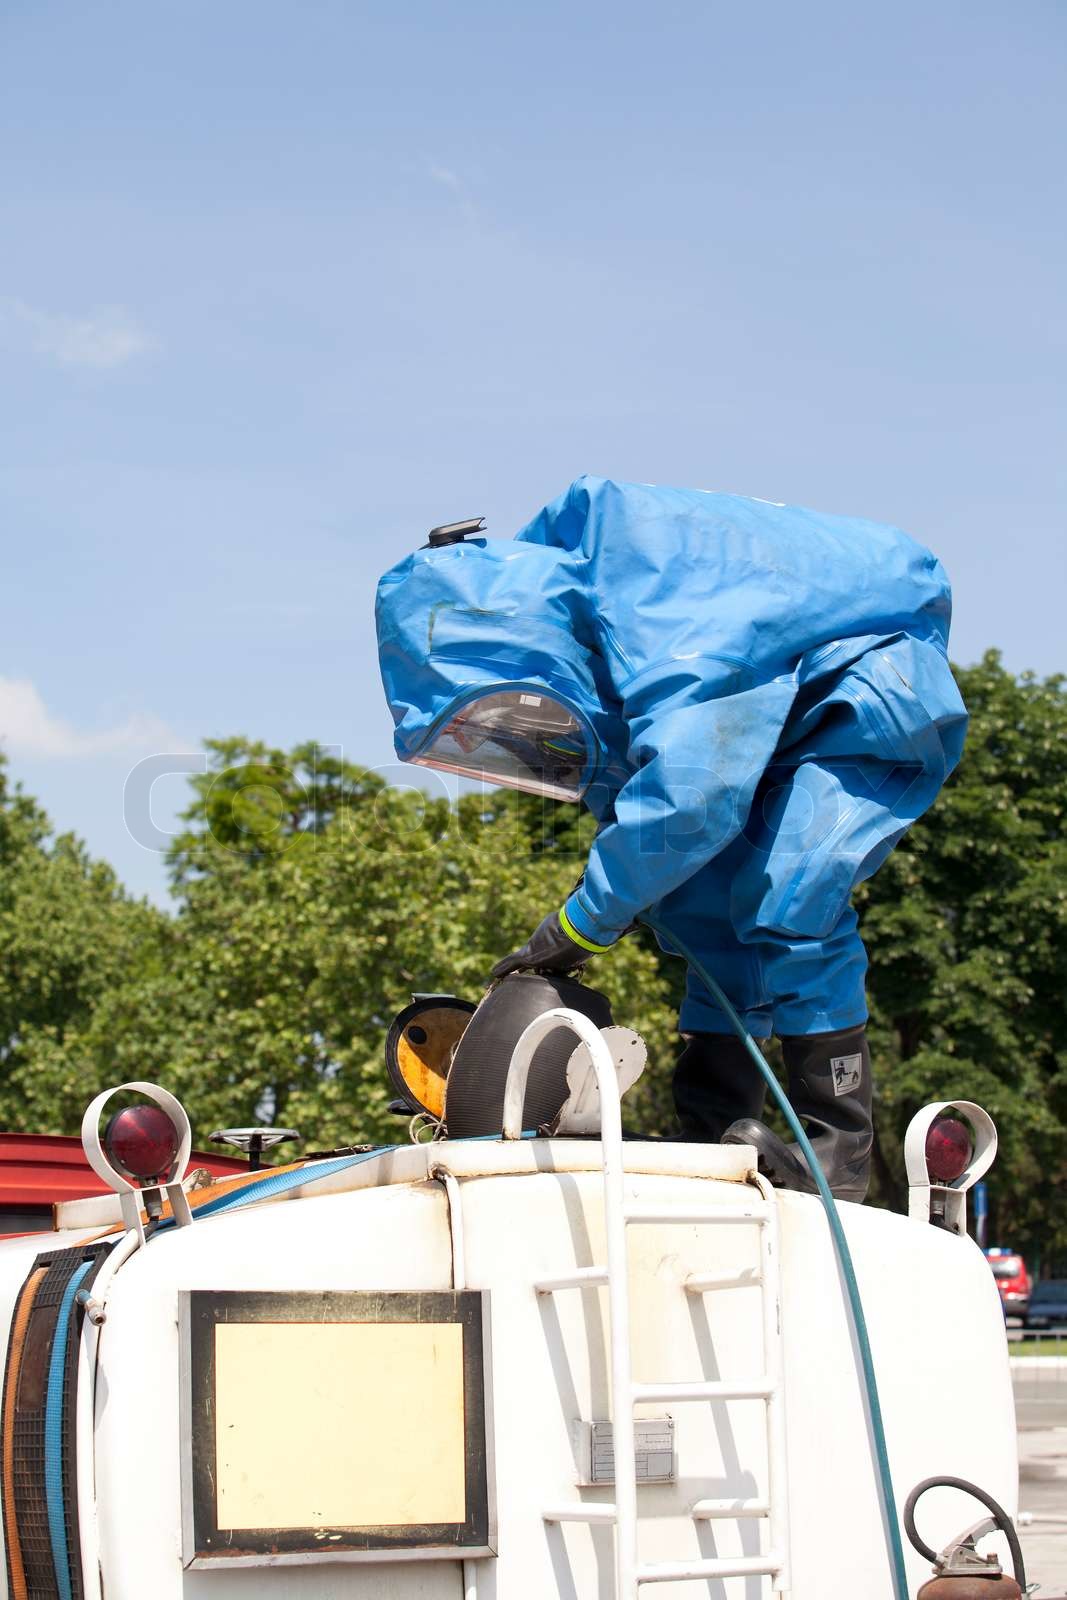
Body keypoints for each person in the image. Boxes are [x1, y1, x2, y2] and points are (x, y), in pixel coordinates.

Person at [375, 477, 967, 1199]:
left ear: (517, 645)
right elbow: (648, 814)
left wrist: (578, 925)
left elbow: (688, 803)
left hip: (868, 690)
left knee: (792, 891)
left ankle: (837, 1150)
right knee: (699, 912)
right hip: (778, 703)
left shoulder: (655, 619)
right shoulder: (590, 648)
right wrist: (611, 902)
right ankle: (714, 1130)